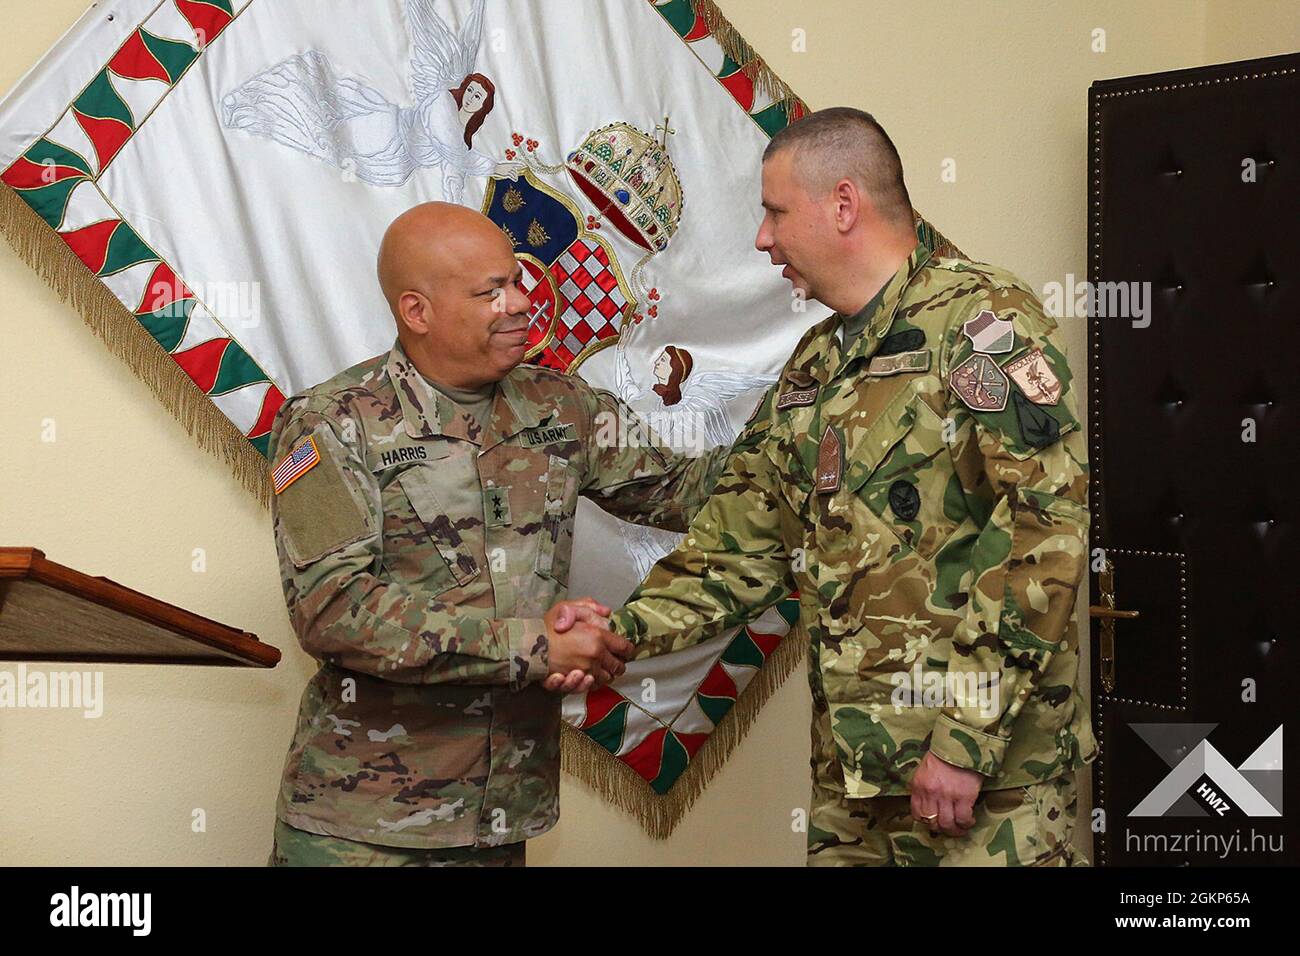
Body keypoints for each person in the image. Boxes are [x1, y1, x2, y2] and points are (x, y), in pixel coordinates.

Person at [601, 107, 1098, 866]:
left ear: (842, 204)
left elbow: (1045, 529)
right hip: (854, 777)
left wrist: (963, 741)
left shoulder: (983, 321)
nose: (762, 239)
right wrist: (617, 636)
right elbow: (743, 541)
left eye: (773, 212)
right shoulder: (815, 365)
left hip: (989, 784)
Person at [266, 201, 732, 866]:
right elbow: (334, 610)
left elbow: (683, 493)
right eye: (492, 291)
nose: (521, 303)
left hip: (502, 818)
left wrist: (808, 426)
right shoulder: (331, 425)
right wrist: (534, 645)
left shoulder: (561, 406)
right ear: (416, 311)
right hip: (362, 829)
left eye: (516, 281)